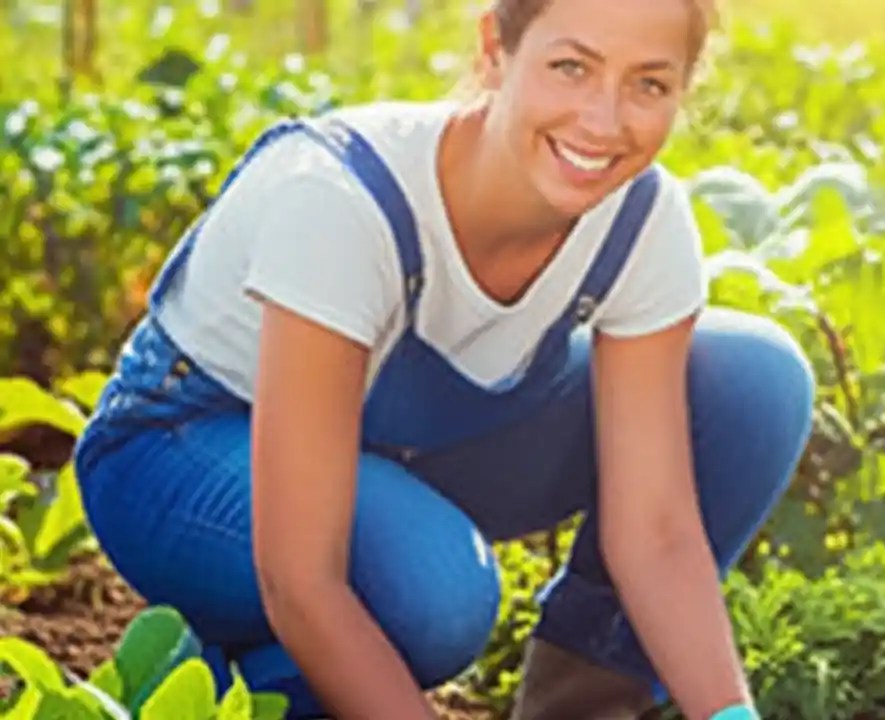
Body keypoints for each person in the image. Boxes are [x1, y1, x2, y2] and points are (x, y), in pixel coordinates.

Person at [72, 0, 815, 718]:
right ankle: (203, 688)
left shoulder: (642, 220)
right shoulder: (344, 201)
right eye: (570, 67)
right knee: (433, 594)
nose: (603, 119)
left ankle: (580, 710)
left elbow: (653, 531)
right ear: (496, 49)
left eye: (648, 83)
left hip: (399, 450)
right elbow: (303, 577)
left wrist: (729, 716)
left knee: (751, 382)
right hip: (184, 450)